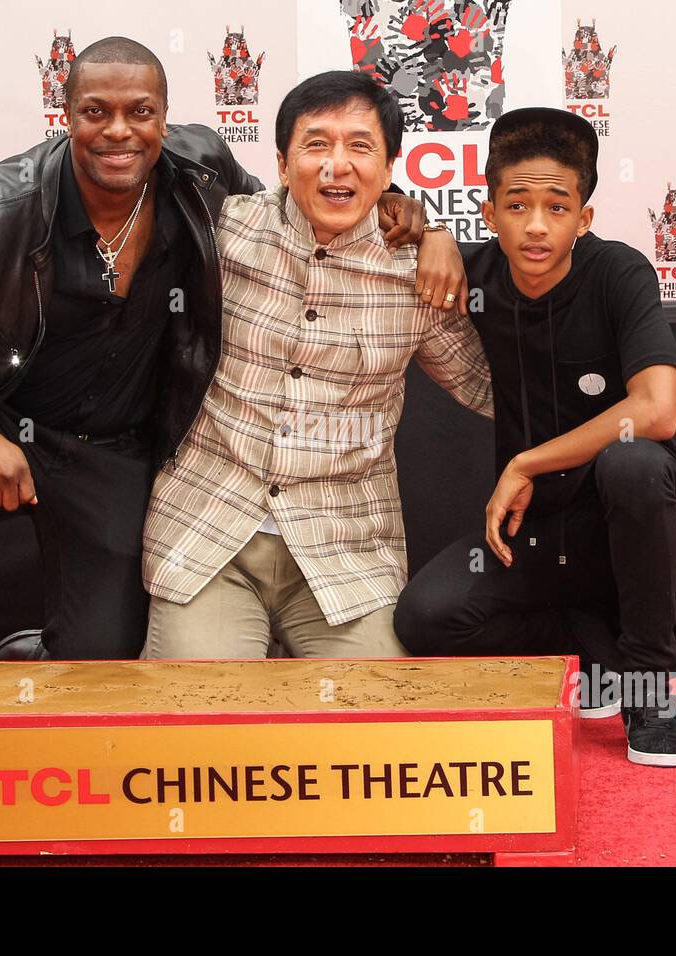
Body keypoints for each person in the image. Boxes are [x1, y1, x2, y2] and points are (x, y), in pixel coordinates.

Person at [0, 39, 440, 693]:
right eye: (97, 112)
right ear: (65, 116)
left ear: (164, 118)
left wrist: (413, 215)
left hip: (107, 446)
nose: (119, 131)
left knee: (103, 659)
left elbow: (294, 214)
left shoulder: (201, 172)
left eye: (141, 111)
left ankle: (32, 658)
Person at [393, 107, 676, 767]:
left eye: (556, 207)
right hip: (540, 533)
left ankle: (649, 688)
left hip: (633, 520)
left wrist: (526, 462)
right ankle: (595, 643)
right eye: (517, 205)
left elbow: (658, 410)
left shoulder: (618, 275)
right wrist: (427, 229)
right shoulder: (474, 275)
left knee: (633, 462)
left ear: (584, 218)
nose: (536, 225)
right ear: (489, 213)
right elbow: (371, 204)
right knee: (426, 616)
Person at [139, 70, 492, 660]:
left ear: (389, 169)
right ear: (281, 164)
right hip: (208, 536)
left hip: (344, 555)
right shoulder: (224, 230)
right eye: (316, 144)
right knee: (200, 721)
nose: (337, 164)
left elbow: (489, 387)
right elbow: (123, 148)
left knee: (375, 729)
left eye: (359, 146)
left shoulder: (418, 276)